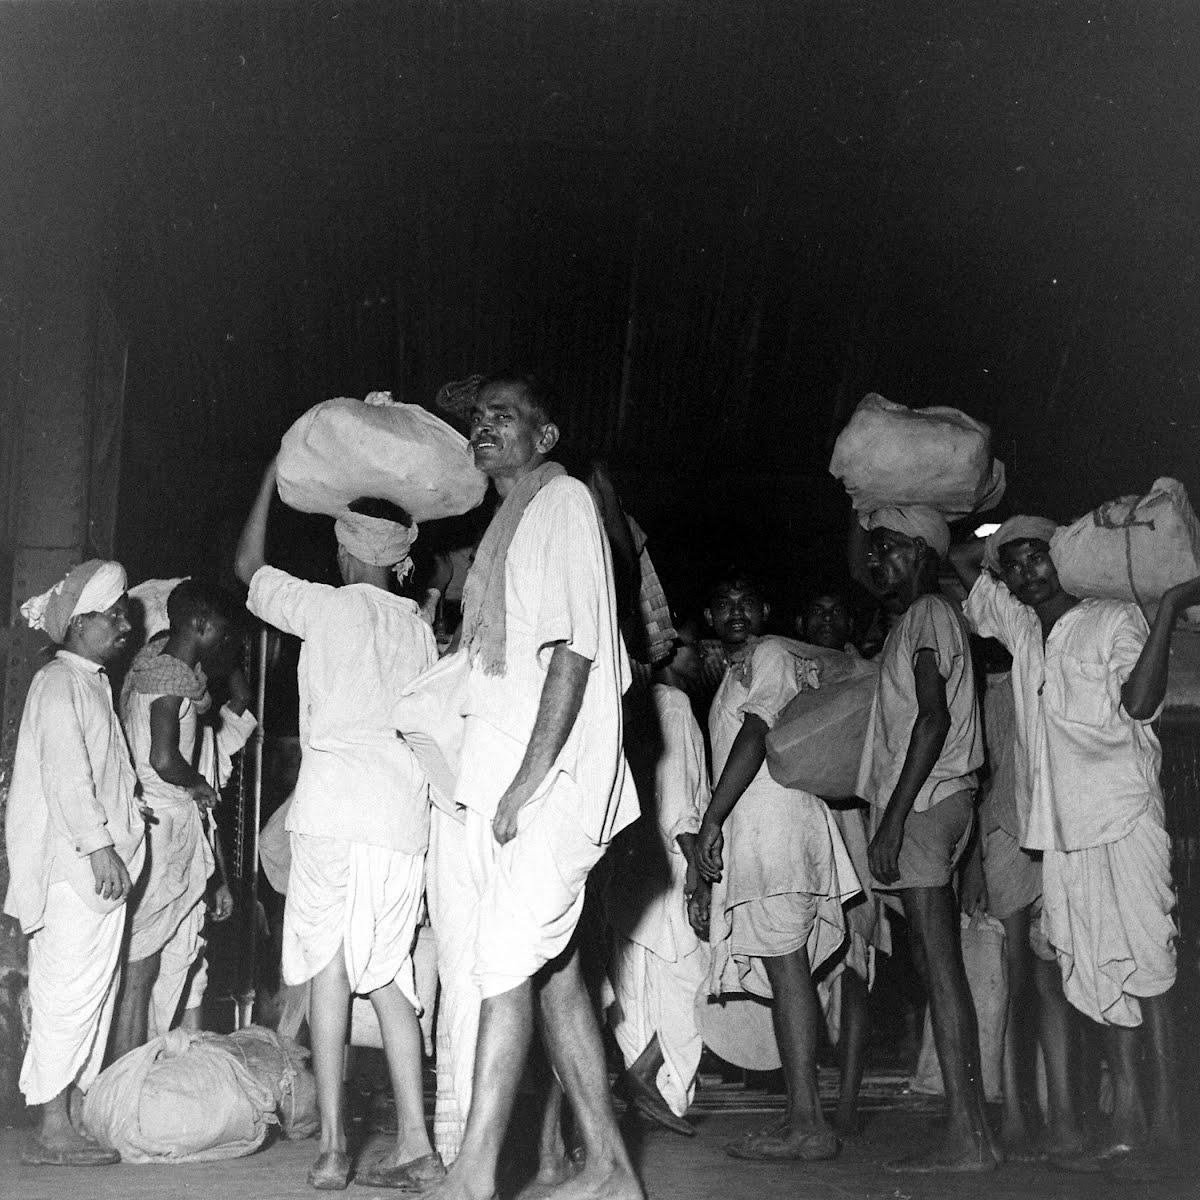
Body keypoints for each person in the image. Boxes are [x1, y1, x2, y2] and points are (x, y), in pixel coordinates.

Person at [421, 372, 642, 1200]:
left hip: (545, 785)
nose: (483, 428)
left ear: (544, 439)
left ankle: (474, 1175)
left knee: (505, 969)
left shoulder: (563, 504)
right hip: (509, 782)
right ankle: (613, 1170)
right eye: (478, 418)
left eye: (503, 417)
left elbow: (576, 652)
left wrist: (525, 781)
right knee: (555, 975)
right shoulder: (509, 523)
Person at [952, 517, 1200, 1160]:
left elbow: (1140, 704)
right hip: (1061, 832)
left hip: (1125, 817)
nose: (1027, 572)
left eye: (1039, 557)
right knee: (1094, 969)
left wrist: (1168, 605)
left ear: (1064, 558)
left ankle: (1168, 1123)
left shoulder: (1114, 617)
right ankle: (1129, 1123)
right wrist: (996, 537)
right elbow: (959, 561)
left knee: (1149, 964)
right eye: (1014, 564)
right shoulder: (1021, 628)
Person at [235, 472, 440, 1191]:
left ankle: (332, 1147)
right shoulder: (420, 630)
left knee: (331, 968)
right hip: (401, 818)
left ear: (346, 551)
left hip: (332, 812)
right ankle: (416, 1141)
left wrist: (271, 475)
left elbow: (247, 565)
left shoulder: (325, 607)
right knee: (391, 977)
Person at [694, 572, 859, 1162]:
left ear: (767, 609)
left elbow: (757, 730)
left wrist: (712, 820)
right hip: (764, 838)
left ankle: (809, 1124)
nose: (735, 610)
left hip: (778, 832)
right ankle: (800, 1114)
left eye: (747, 601)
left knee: (788, 973)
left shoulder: (770, 654)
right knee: (788, 972)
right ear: (709, 619)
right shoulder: (738, 670)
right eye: (724, 602)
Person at [854, 506, 994, 1172]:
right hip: (939, 800)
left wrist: (892, 818)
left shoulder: (930, 612)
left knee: (941, 969)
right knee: (935, 964)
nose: (874, 561)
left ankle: (969, 1136)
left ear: (918, 549)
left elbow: (932, 722)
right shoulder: (918, 619)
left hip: (925, 802)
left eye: (886, 548)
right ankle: (972, 1131)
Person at [4, 560, 143, 1166]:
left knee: (93, 992)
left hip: (95, 867)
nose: (124, 626)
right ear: (80, 622)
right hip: (75, 868)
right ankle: (52, 1124)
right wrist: (99, 846)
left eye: (124, 614)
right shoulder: (59, 681)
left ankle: (74, 1113)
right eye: (113, 615)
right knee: (66, 993)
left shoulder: (90, 681)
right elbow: (66, 776)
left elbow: (100, 773)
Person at [111, 578, 255, 1058]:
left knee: (157, 961)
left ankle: (145, 1067)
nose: (225, 641)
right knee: (141, 968)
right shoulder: (169, 681)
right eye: (223, 632)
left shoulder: (156, 663)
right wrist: (198, 784)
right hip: (164, 824)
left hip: (167, 823)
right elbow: (163, 757)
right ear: (201, 624)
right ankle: (125, 1076)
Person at [606, 621, 710, 1137]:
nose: (702, 655)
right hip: (668, 862)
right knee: (689, 979)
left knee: (640, 986)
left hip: (633, 864)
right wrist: (697, 870)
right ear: (670, 650)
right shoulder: (676, 705)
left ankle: (646, 1085)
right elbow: (677, 800)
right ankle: (646, 1077)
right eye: (694, 646)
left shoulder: (636, 705)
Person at [797, 590, 890, 1138]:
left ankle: (849, 1104)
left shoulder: (871, 674)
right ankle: (805, 1104)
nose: (827, 618)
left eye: (836, 610)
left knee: (855, 964)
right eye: (818, 610)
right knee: (799, 963)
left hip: (853, 831)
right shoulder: (789, 671)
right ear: (802, 620)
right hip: (798, 830)